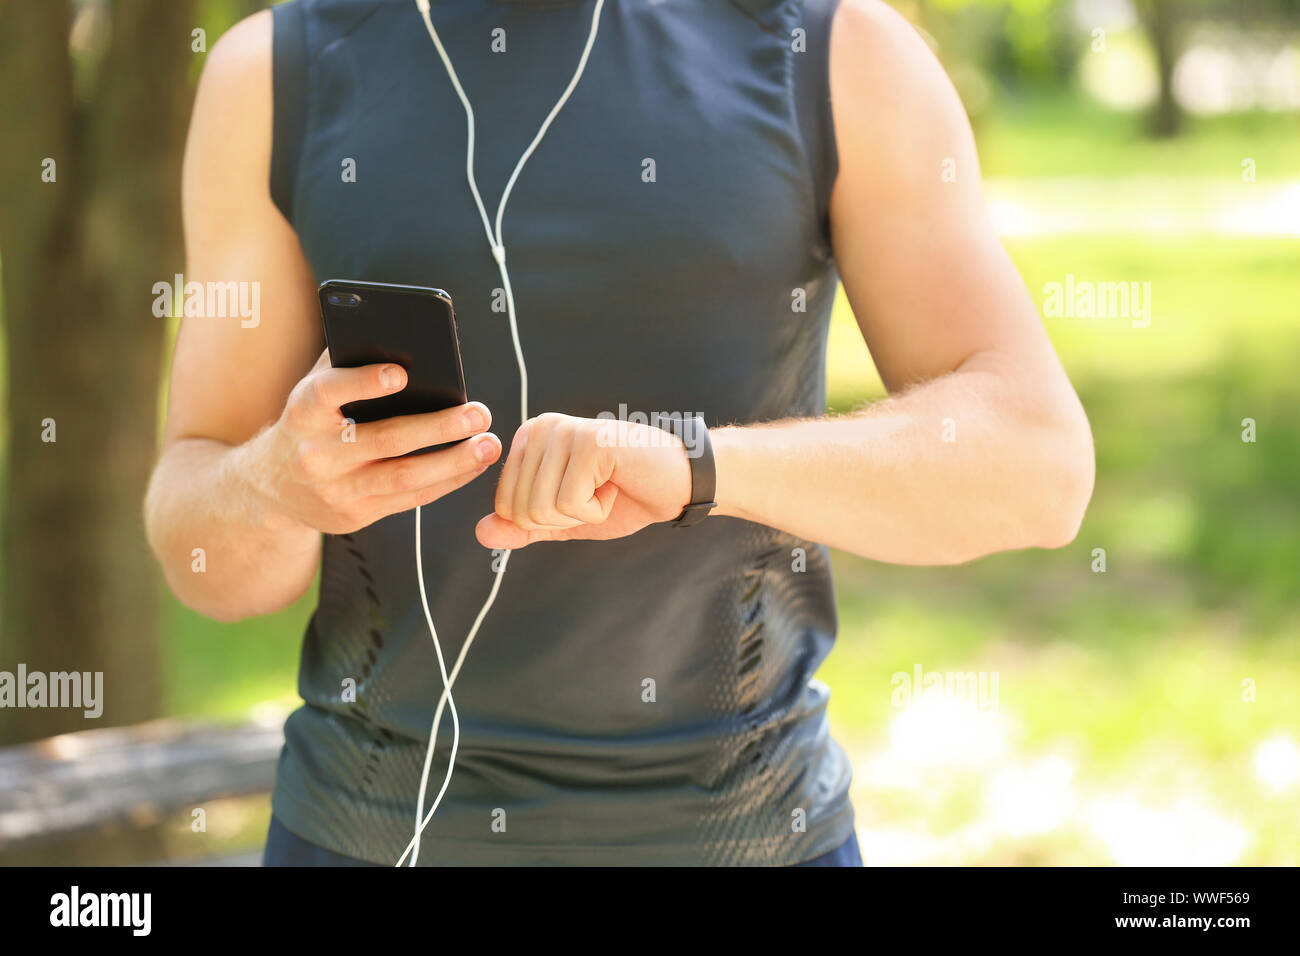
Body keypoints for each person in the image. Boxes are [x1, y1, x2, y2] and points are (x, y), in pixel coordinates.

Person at [144, 0, 1094, 866]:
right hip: (364, 834)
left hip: (749, 838)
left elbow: (1037, 467)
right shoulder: (273, 73)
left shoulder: (837, 52)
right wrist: (273, 484)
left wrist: (698, 466)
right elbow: (209, 566)